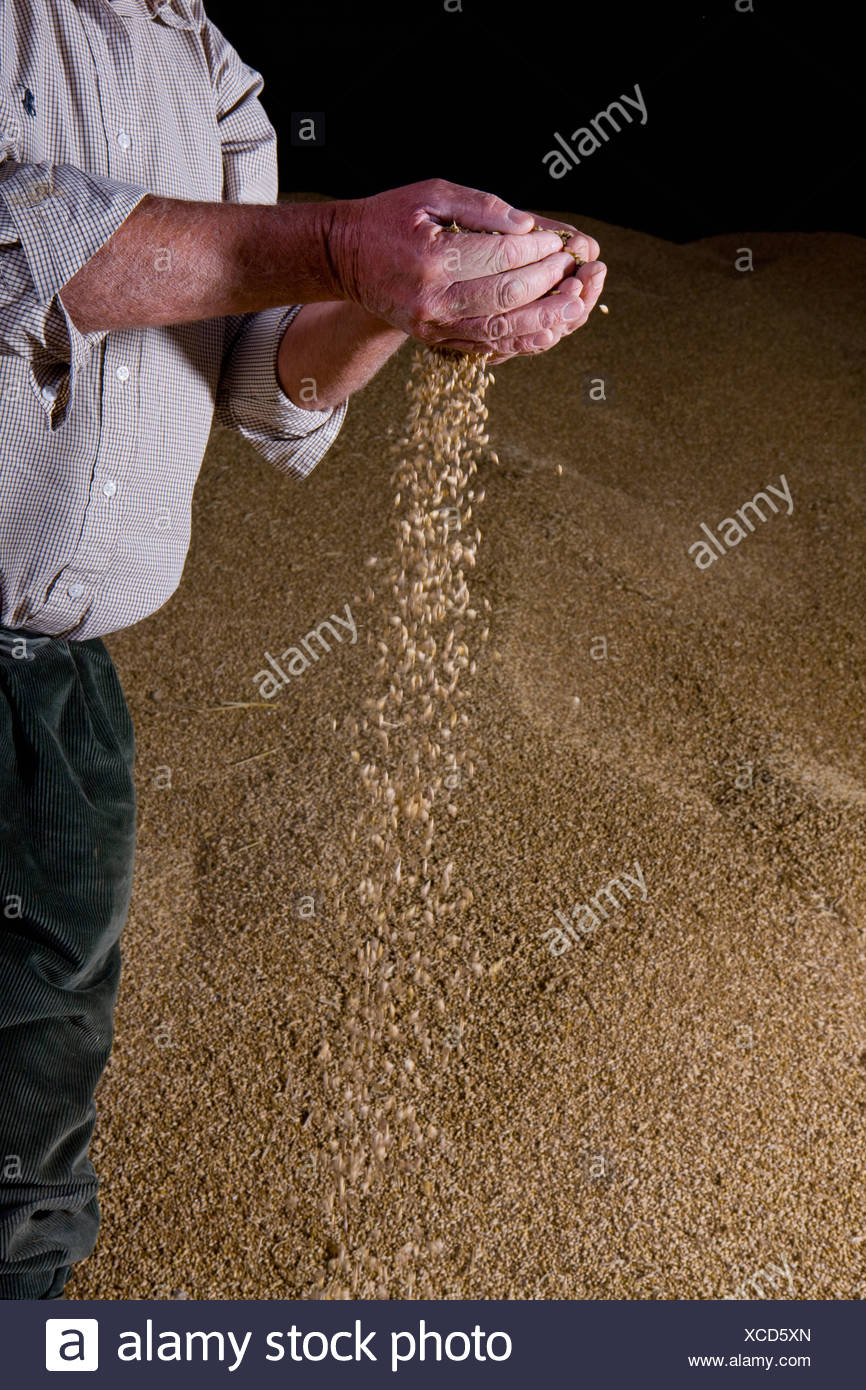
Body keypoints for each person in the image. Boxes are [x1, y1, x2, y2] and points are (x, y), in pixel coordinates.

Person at [0, 0, 606, 1300]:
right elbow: (18, 244)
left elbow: (268, 379)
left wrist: (405, 302)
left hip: (65, 689)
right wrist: (334, 243)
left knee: (35, 1061)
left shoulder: (200, 62)